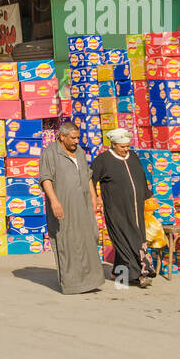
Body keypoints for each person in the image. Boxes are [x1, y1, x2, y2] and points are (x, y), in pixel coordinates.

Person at [39, 121, 105, 294]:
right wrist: (54, 201)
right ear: (62, 137)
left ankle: (90, 282)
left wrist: (94, 196)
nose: (76, 141)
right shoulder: (50, 153)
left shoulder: (80, 152)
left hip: (83, 205)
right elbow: (46, 179)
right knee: (67, 242)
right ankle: (73, 284)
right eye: (73, 138)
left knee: (89, 238)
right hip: (64, 206)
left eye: (78, 138)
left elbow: (87, 176)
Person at [91, 129, 155, 289]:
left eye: (127, 146)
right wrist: (95, 197)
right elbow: (90, 179)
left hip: (136, 206)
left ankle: (117, 272)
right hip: (116, 208)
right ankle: (141, 274)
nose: (126, 149)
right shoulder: (103, 159)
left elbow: (141, 175)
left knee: (135, 235)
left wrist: (147, 195)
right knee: (126, 237)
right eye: (122, 147)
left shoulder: (133, 156)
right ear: (113, 145)